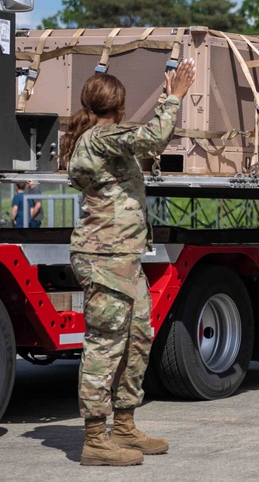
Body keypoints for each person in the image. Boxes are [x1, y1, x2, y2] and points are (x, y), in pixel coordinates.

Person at [59, 59, 195, 467]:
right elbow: (153, 139)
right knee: (106, 345)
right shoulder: (100, 138)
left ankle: (124, 423)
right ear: (118, 108)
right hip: (104, 258)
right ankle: (95, 439)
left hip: (124, 256)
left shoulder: (102, 138)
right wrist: (174, 97)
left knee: (137, 338)